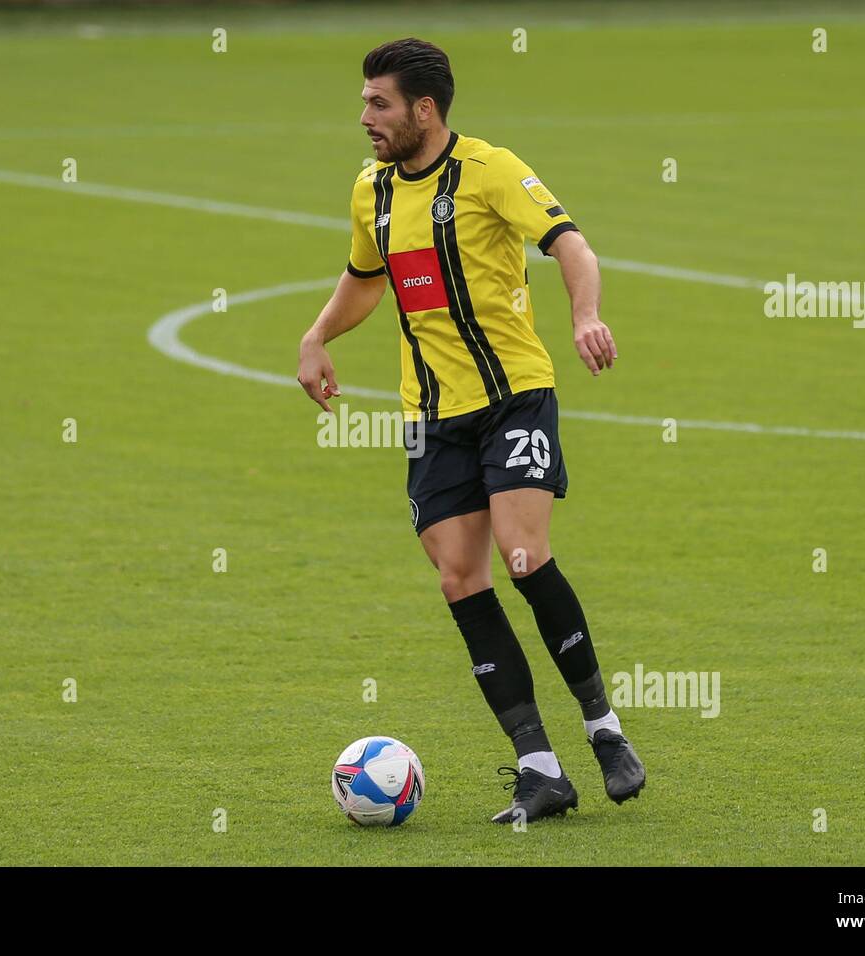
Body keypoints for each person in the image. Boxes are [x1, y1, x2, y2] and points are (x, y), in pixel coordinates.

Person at [297, 37, 646, 824]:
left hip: (514, 395)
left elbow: (572, 247)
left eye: (379, 104)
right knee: (460, 577)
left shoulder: (489, 171)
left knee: (524, 556)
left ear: (425, 110)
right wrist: (319, 336)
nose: (365, 118)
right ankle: (540, 769)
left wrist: (585, 313)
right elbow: (364, 279)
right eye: (364, 103)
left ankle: (605, 732)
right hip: (431, 415)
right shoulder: (372, 191)